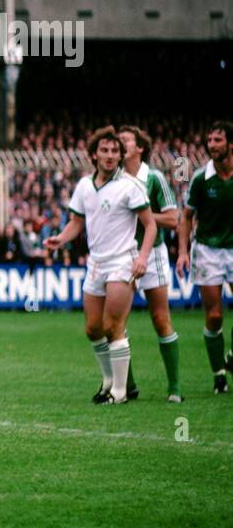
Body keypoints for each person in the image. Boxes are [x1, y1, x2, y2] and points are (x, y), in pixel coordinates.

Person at [46, 127, 156, 404]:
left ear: (120, 156)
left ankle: (119, 392)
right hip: (96, 263)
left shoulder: (129, 186)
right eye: (104, 151)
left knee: (112, 326)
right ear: (94, 155)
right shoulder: (84, 185)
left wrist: (142, 258)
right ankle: (108, 380)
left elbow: (150, 225)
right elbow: (77, 222)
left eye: (114, 151)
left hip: (122, 262)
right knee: (93, 329)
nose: (109, 156)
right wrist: (60, 239)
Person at [117, 125, 182, 401]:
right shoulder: (114, 179)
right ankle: (127, 386)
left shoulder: (154, 178)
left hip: (152, 253)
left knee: (160, 318)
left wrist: (142, 215)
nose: (120, 145)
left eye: (125, 141)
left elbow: (173, 219)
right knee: (116, 323)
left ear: (140, 147)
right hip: (122, 255)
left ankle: (175, 388)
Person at [176, 121, 233, 394]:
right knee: (214, 316)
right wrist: (183, 251)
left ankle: (231, 358)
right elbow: (186, 217)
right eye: (209, 140)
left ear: (230, 144)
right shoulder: (200, 178)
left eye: (218, 140)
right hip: (208, 251)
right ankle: (219, 375)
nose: (212, 145)